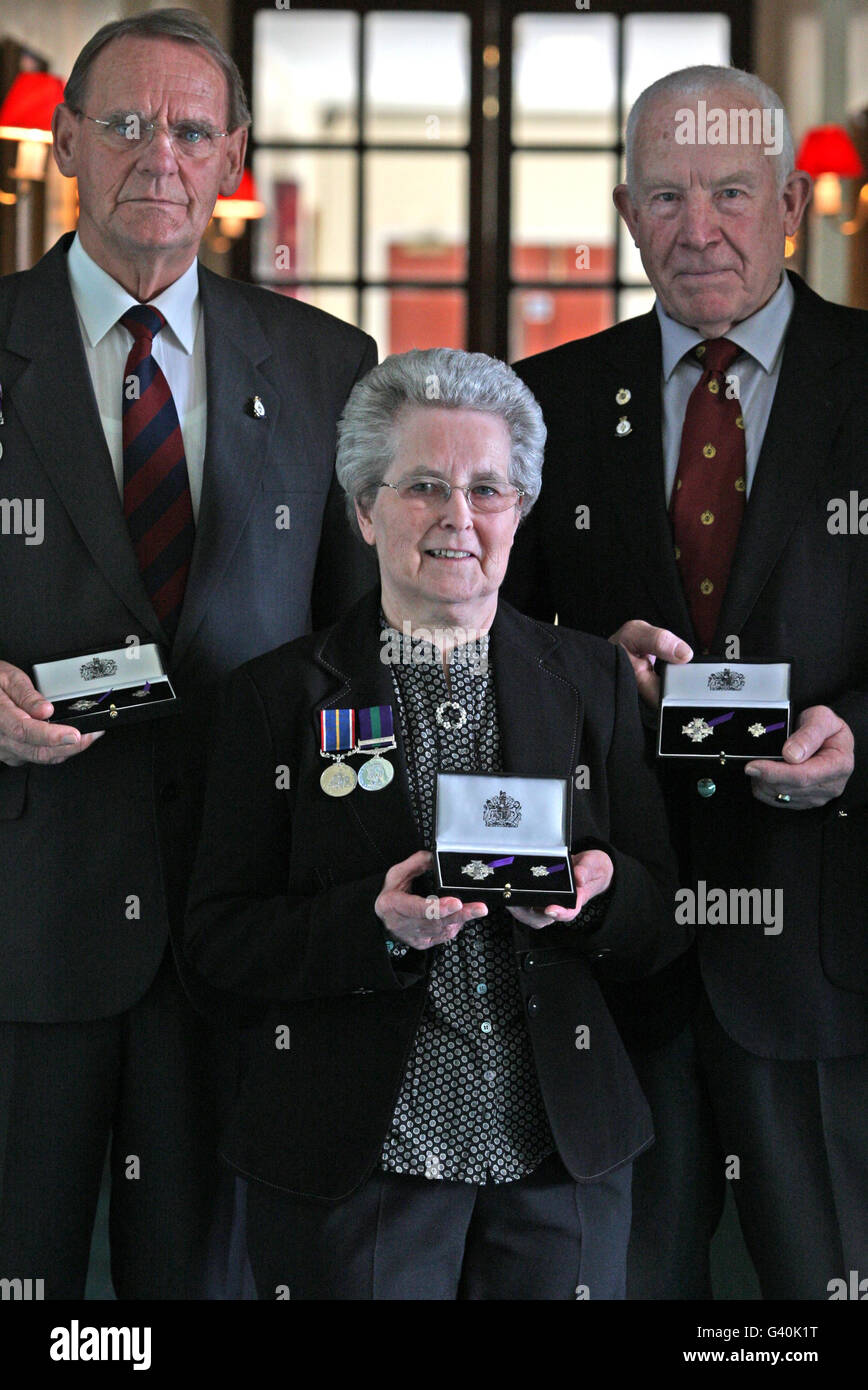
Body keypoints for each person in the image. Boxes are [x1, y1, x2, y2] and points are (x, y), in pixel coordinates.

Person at [0, 8, 376, 1299]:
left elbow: (355, 655)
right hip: (24, 918)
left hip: (233, 928)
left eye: (192, 129)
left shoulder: (331, 366)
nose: (160, 154)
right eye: (125, 124)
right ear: (64, 145)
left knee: (201, 1288)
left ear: (232, 160)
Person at [184, 347, 689, 1301]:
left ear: (519, 510)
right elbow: (217, 941)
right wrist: (369, 927)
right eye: (423, 487)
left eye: (488, 490)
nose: (460, 518)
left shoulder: (590, 683)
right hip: (358, 1167)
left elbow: (660, 916)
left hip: (560, 1166)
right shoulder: (274, 699)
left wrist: (603, 894)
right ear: (365, 510)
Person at [504, 65, 868, 1300]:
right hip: (618, 958)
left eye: (727, 190)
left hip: (826, 951)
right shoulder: (547, 401)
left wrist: (854, 736)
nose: (695, 227)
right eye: (664, 195)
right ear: (622, 208)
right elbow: (487, 646)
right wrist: (591, 677)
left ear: (792, 199)